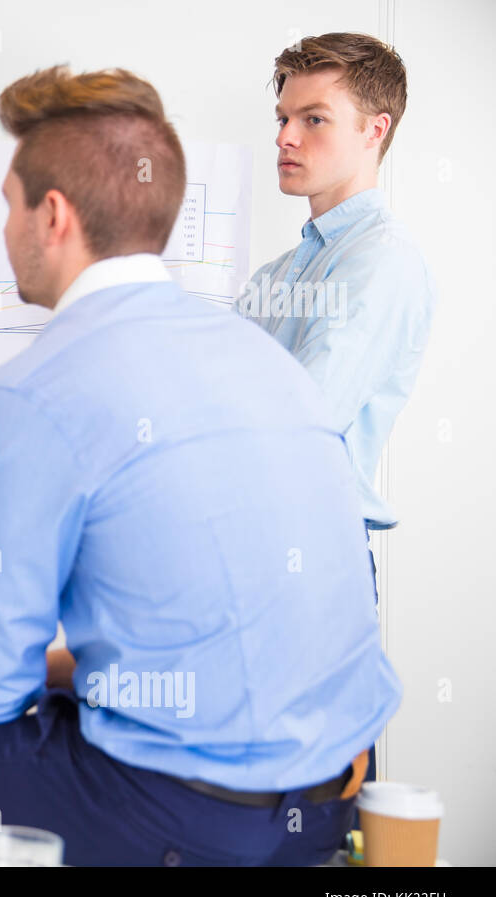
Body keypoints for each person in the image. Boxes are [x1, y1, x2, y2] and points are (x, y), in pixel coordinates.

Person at [0, 66, 399, 866]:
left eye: (8, 206)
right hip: (339, 798)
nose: (4, 233)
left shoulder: (35, 392)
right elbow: (215, 643)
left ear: (52, 215)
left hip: (187, 813)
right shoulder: (259, 353)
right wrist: (53, 669)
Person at [235, 33, 435, 783]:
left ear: (374, 129)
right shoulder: (280, 271)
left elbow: (297, 423)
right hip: (251, 554)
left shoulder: (380, 260)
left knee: (311, 807)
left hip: (310, 556)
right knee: (239, 801)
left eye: (313, 119)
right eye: (283, 118)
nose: (286, 137)